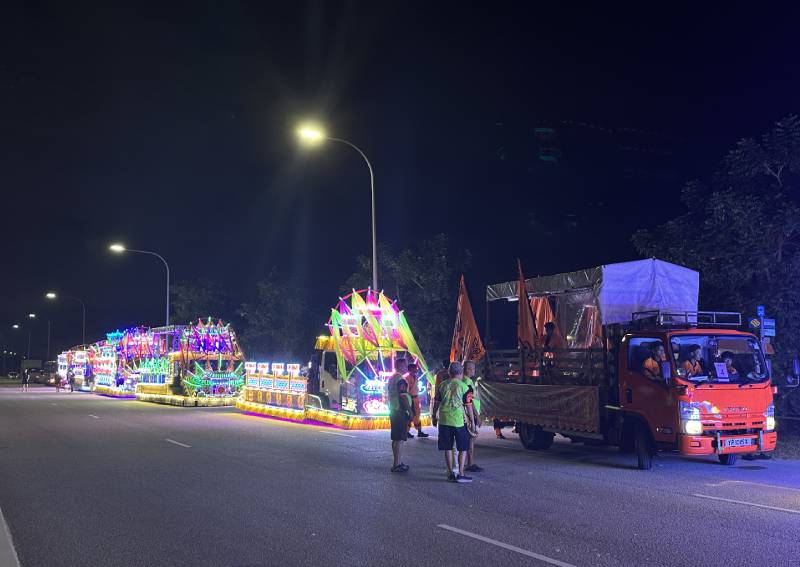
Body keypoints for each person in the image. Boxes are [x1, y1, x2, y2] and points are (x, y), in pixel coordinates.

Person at [431, 361, 473, 483]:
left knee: (448, 447)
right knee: (463, 447)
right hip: (458, 421)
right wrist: (472, 421)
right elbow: (469, 406)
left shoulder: (442, 385)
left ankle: (450, 474)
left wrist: (434, 416)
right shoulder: (464, 387)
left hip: (444, 420)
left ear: (449, 372)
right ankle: (461, 473)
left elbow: (436, 403)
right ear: (461, 372)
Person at [387, 358, 412, 473]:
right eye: (405, 366)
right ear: (401, 366)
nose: (407, 368)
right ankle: (397, 464)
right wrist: (410, 411)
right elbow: (403, 396)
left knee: (395, 438)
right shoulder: (400, 379)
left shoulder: (392, 378)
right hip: (399, 410)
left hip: (393, 409)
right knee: (400, 439)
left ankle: (397, 462)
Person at [463, 360, 483, 472]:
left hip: (472, 413)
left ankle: (468, 462)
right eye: (469, 368)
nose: (472, 371)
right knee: (471, 437)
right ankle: (469, 463)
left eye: (473, 368)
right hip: (470, 414)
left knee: (472, 437)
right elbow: (469, 401)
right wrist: (476, 416)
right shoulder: (466, 382)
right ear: (464, 369)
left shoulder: (469, 381)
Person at [406, 363, 429, 438]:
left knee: (417, 415)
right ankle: (406, 431)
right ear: (410, 369)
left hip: (416, 399)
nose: (416, 369)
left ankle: (419, 431)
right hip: (411, 399)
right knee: (410, 415)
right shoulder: (407, 378)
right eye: (415, 368)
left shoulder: (416, 377)